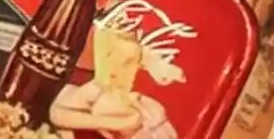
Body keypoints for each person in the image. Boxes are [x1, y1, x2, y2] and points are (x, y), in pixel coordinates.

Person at [48, 25, 177, 139]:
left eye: (127, 63)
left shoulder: (149, 107)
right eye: (110, 57)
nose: (116, 69)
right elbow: (57, 114)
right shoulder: (96, 90)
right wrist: (115, 123)